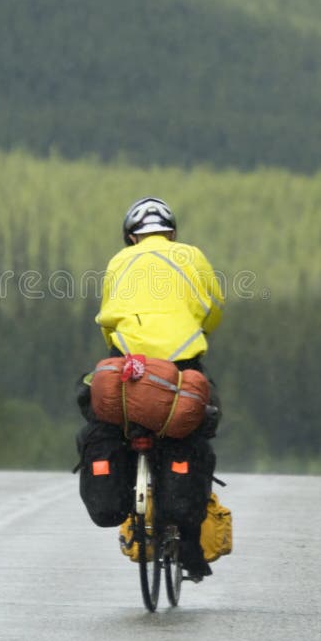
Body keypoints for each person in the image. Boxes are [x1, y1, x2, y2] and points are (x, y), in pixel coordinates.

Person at [81, 196, 225, 580]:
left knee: (102, 416)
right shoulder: (191, 256)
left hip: (130, 363)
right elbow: (213, 309)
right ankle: (188, 540)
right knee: (198, 429)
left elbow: (107, 319)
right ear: (172, 232)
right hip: (180, 365)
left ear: (131, 237)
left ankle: (125, 491)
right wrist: (195, 332)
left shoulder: (118, 261)